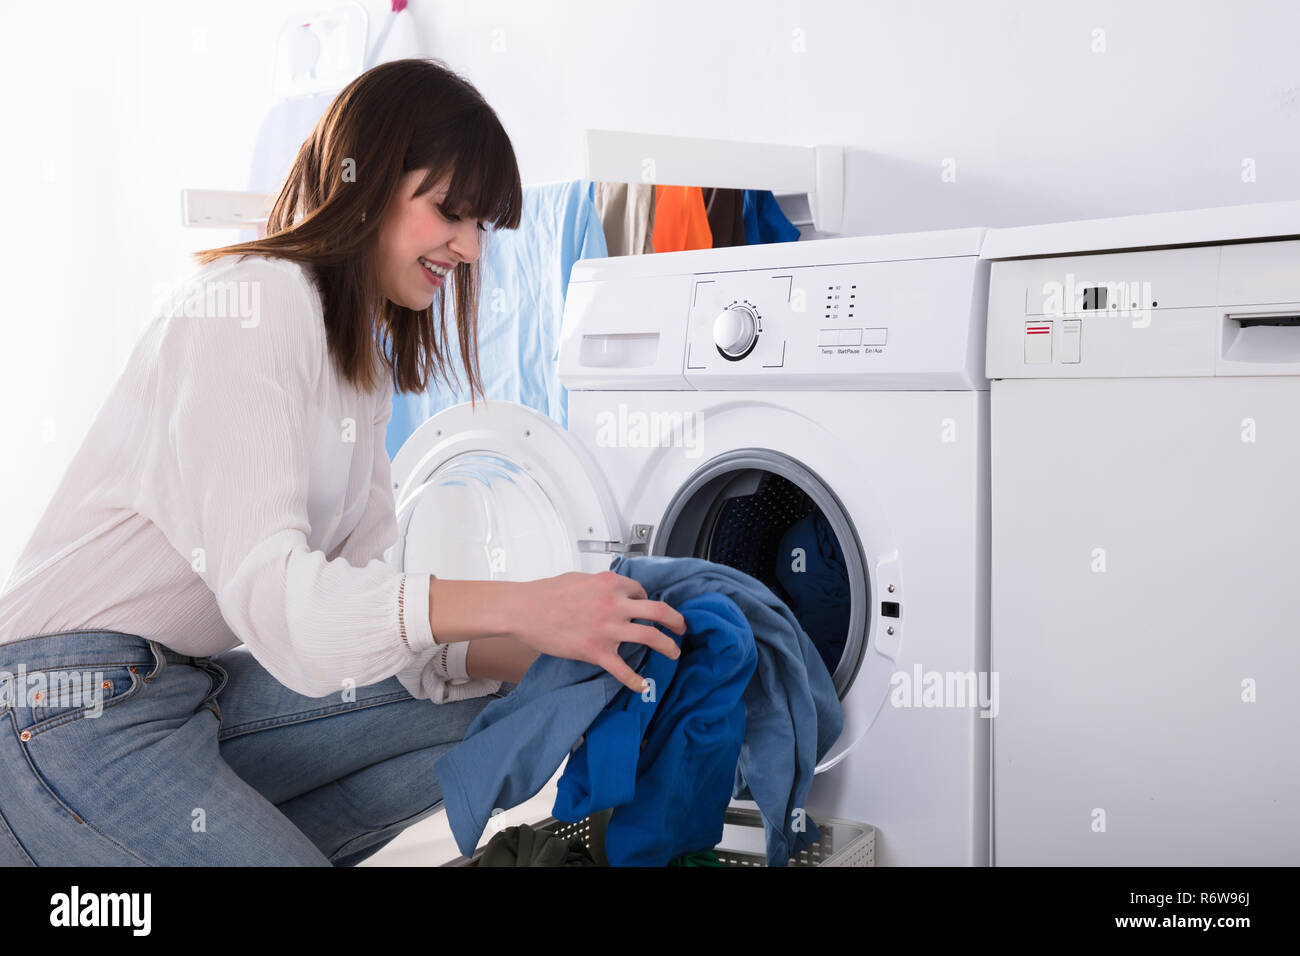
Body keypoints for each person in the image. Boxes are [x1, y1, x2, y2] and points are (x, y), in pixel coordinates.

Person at [0, 57, 685, 866]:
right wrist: (523, 601)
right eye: (452, 212)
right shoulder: (256, 305)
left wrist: (559, 652)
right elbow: (288, 611)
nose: (468, 247)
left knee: (509, 703)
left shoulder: (358, 367)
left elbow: (361, 631)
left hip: (190, 691)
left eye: (482, 225)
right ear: (369, 181)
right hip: (63, 703)